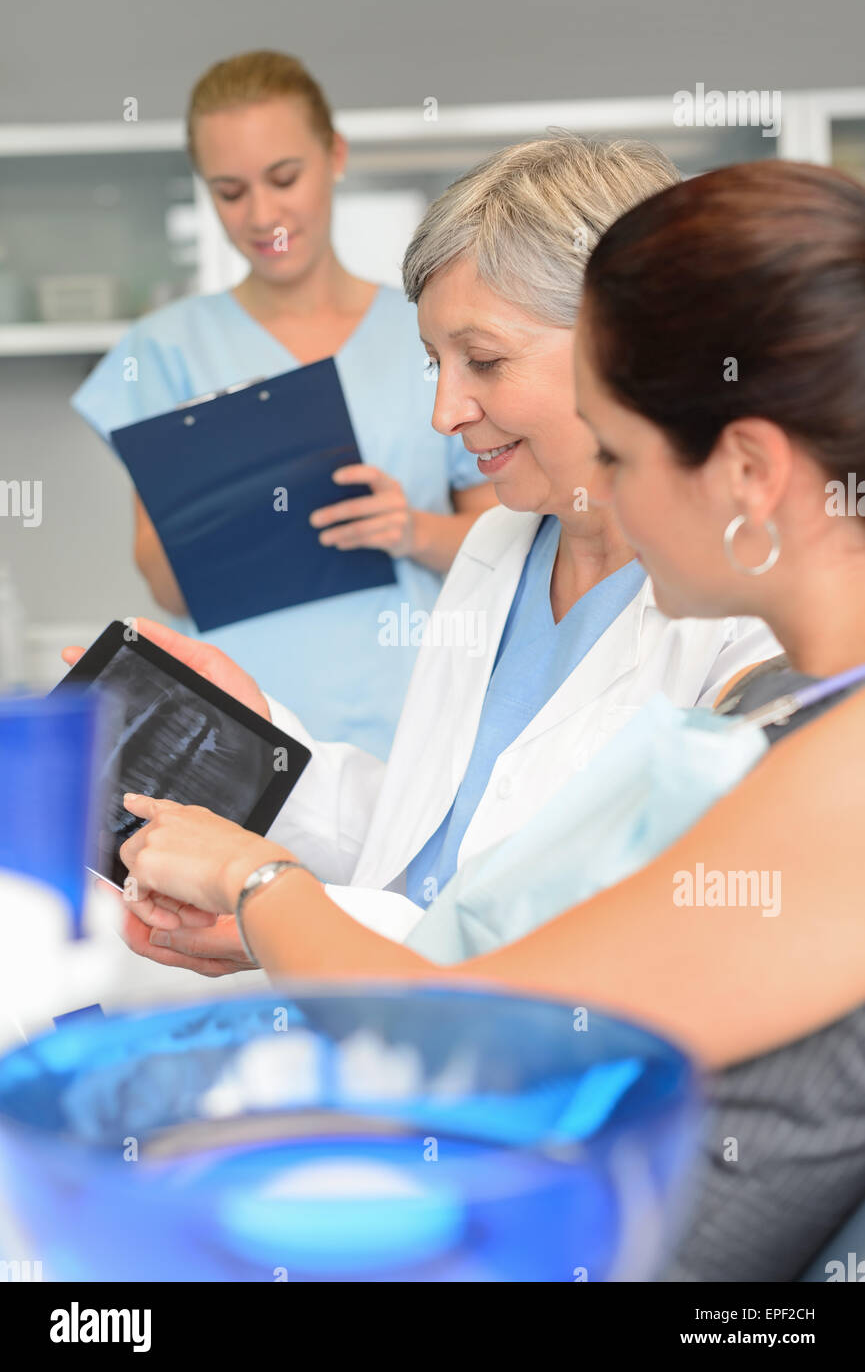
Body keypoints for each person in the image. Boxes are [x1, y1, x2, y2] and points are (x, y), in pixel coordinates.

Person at [113, 160, 865, 1282]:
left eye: (618, 450)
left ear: (745, 468)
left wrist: (266, 894)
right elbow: (469, 887)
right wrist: (275, 772)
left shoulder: (807, 746)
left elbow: (483, 1029)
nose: (445, 413)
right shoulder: (778, 707)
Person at [63, 134, 778, 930]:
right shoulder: (499, 547)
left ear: (635, 344)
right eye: (435, 363)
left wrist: (283, 913)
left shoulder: (748, 616)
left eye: (484, 360)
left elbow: (608, 941)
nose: (445, 415)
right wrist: (261, 745)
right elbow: (430, 849)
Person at [71, 50, 496, 759]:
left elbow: (501, 549)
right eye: (230, 191)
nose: (262, 214)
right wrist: (218, 490)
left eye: (284, 178)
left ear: (334, 155)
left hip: (410, 728)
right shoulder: (167, 349)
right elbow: (167, 587)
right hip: (236, 729)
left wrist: (409, 529)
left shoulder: (428, 332)